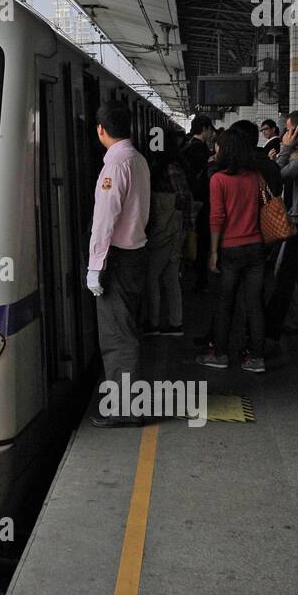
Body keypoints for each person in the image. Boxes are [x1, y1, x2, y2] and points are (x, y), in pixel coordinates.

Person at [86, 102, 151, 427]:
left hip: (118, 259)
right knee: (127, 330)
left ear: (101, 129)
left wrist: (95, 265)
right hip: (136, 255)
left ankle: (126, 408)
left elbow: (105, 219)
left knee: (117, 337)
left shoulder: (115, 164)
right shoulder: (137, 159)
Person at [198, 126, 266, 373]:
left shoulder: (218, 179)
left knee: (224, 304)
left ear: (225, 150)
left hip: (230, 249)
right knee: (254, 305)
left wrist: (214, 252)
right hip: (256, 247)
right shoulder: (255, 177)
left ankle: (220, 354)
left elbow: (217, 217)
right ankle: (256, 359)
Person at [264, 120, 298, 344]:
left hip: (297, 223)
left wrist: (284, 151)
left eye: (288, 129)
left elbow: (278, 177)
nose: (285, 133)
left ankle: (280, 325)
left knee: (284, 274)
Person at [144, 153, 185, 337]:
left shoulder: (152, 196)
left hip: (158, 241)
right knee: (172, 281)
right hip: (175, 237)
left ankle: (153, 322)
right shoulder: (176, 197)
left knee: (151, 279)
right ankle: (176, 323)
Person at [182, 115, 215, 292]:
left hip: (192, 200)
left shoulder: (187, 147)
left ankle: (196, 274)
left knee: (194, 239)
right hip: (201, 202)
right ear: (204, 128)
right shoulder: (200, 150)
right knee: (201, 241)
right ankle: (201, 280)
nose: (212, 133)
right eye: (210, 129)